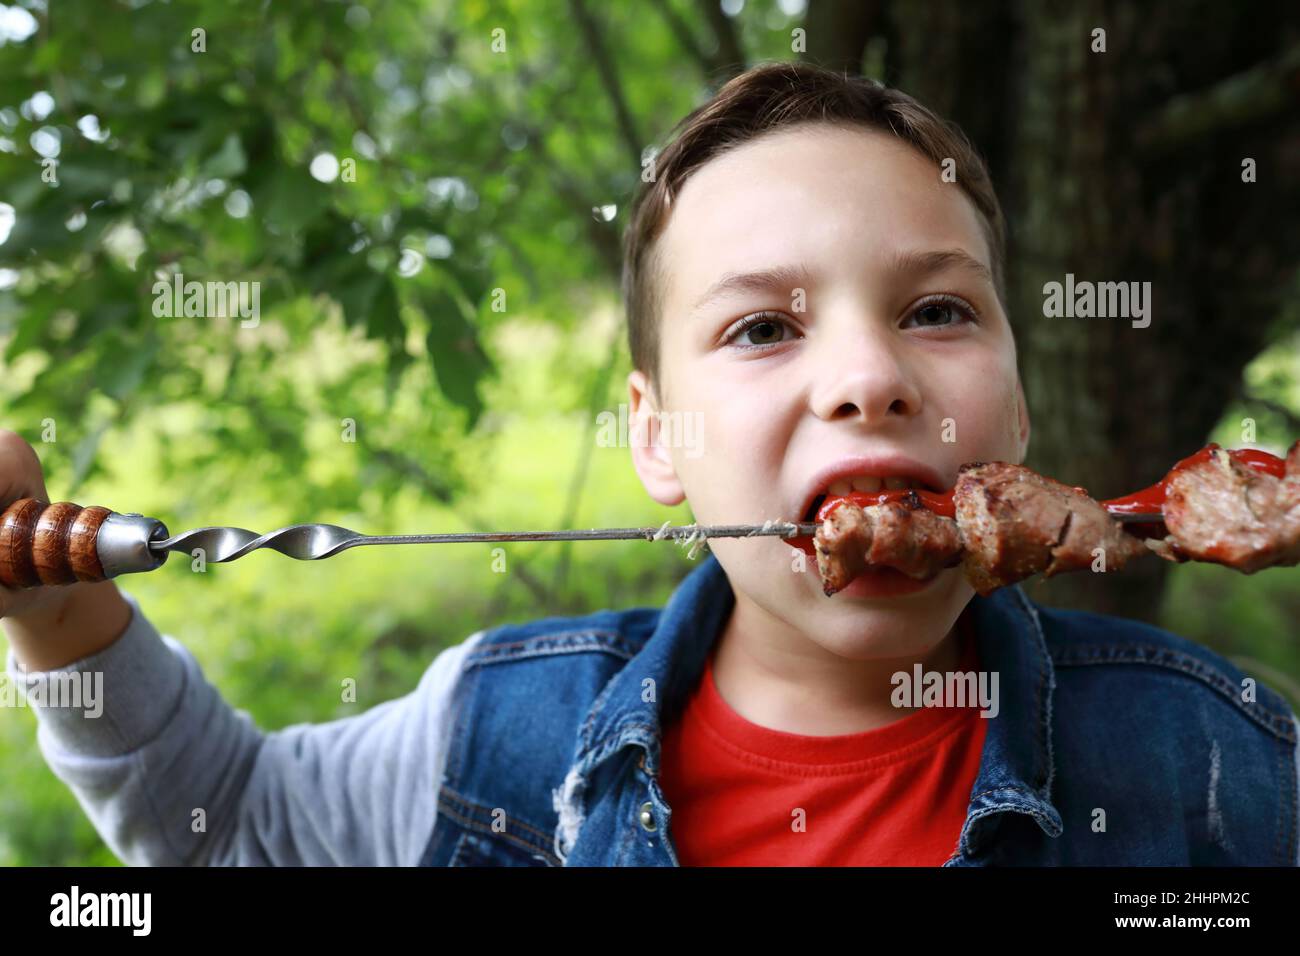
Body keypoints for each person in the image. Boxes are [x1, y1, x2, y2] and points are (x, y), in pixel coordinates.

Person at [3, 60, 1296, 866]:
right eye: (762, 327)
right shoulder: (492, 739)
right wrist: (67, 626)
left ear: (1014, 412)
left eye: (939, 311)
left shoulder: (1218, 758)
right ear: (655, 437)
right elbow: (225, 827)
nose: (868, 375)